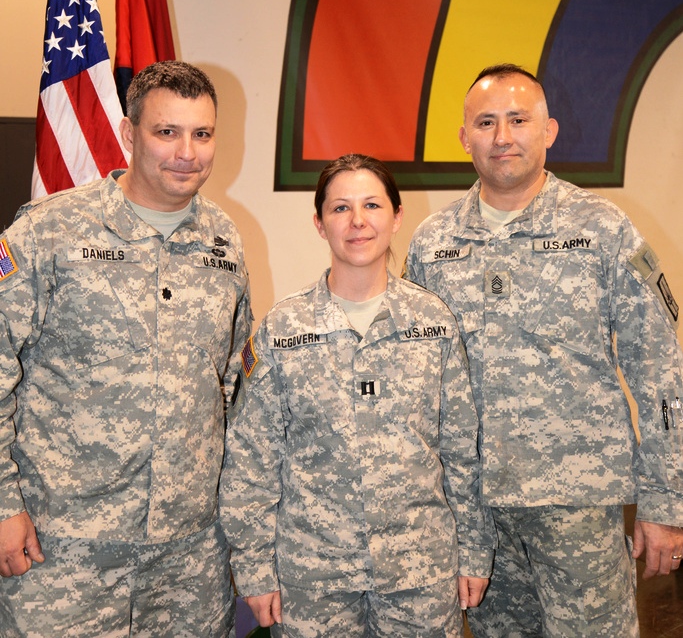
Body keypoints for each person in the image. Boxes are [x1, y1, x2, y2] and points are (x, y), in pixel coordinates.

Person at [404, 63, 683, 637]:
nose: (502, 136)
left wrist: (665, 502)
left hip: (579, 504)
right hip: (477, 512)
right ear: (464, 137)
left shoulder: (603, 230)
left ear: (549, 130)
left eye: (518, 119)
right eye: (486, 122)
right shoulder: (433, 245)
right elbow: (417, 382)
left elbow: (660, 371)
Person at [0, 61, 252, 637]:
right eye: (167, 132)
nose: (186, 152)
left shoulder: (223, 240)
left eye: (202, 134)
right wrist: (2, 507)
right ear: (127, 133)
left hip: (187, 555)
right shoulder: (49, 232)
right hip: (63, 549)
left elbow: (234, 385)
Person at [221, 154, 494, 638]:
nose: (358, 221)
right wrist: (255, 567)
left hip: (420, 574)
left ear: (397, 216)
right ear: (320, 225)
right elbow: (251, 460)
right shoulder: (283, 330)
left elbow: (461, 453)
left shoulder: (433, 324)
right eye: (340, 208)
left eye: (372, 205)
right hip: (313, 577)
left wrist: (473, 550)